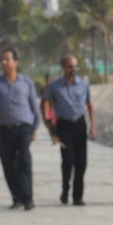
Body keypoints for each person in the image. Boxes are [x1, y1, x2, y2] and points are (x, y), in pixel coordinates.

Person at [0, 47, 40, 209]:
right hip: (5, 129)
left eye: (7, 59)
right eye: (2, 59)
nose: (3, 62)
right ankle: (17, 197)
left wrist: (35, 128)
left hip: (24, 128)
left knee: (24, 160)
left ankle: (28, 198)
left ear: (16, 62)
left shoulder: (26, 83)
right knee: (8, 163)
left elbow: (35, 108)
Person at [43, 54, 94, 205]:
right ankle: (65, 189)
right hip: (63, 126)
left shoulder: (83, 84)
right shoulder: (55, 86)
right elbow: (44, 102)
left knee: (81, 162)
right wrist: (47, 122)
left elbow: (90, 105)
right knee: (68, 160)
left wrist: (93, 126)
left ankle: (77, 196)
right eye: (70, 66)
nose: (73, 69)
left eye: (75, 66)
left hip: (80, 125)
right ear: (64, 68)